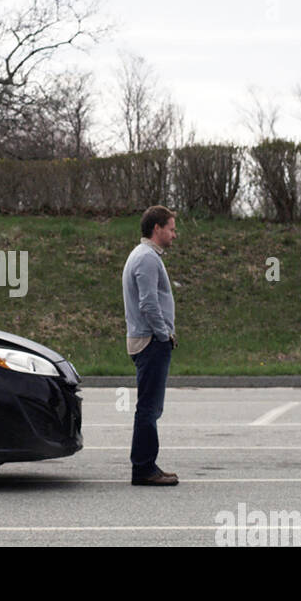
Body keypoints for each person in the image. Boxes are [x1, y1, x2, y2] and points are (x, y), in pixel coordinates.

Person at [122, 205, 179, 486]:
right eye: (171, 228)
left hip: (148, 339)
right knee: (148, 408)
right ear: (156, 228)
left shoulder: (144, 255)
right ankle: (144, 469)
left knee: (150, 408)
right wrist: (163, 334)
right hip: (150, 341)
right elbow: (148, 303)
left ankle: (148, 464)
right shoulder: (146, 258)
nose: (174, 234)